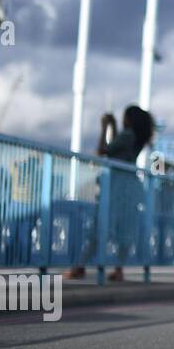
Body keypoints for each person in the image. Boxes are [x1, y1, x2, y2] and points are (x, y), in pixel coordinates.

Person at [66, 105, 155, 281]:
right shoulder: (135, 137)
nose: (123, 119)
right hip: (129, 188)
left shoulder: (127, 135)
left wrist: (105, 127)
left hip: (115, 187)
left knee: (100, 226)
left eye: (125, 117)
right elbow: (117, 149)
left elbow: (103, 151)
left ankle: (79, 267)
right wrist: (113, 127)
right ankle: (118, 269)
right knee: (124, 228)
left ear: (130, 119)